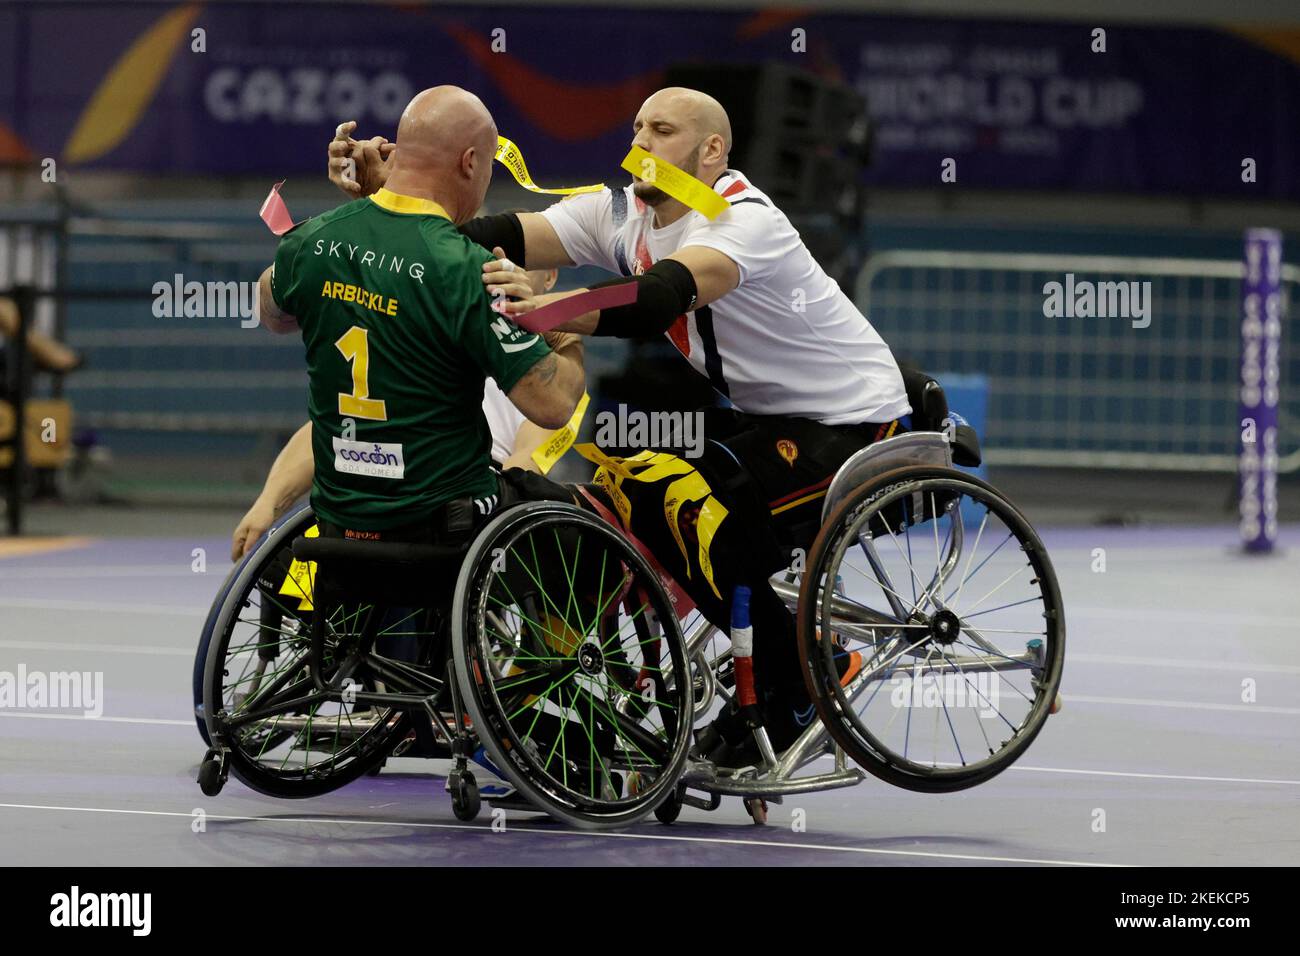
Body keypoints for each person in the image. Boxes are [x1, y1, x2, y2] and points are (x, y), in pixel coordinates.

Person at [328, 88, 912, 765]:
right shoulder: (619, 213)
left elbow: (656, 295)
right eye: (637, 127)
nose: (642, 142)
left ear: (711, 150)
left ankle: (808, 675)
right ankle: (575, 715)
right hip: (770, 422)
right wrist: (393, 197)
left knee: (689, 507)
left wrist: (543, 308)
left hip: (858, 424)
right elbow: (482, 235)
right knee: (617, 505)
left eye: (662, 131)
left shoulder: (741, 217)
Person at [256, 86, 584, 556]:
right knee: (584, 527)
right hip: (444, 525)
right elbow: (552, 405)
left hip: (338, 521)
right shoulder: (467, 269)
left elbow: (273, 312)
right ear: (471, 162)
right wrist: (566, 334)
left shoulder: (313, 242)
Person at [232, 263, 567, 560]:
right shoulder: (432, 342)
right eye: (497, 259)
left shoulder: (550, 381)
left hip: (460, 496)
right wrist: (269, 502)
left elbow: (523, 468)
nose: (504, 269)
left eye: (522, 261)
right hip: (390, 492)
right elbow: (334, 429)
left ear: (550, 277)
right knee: (278, 560)